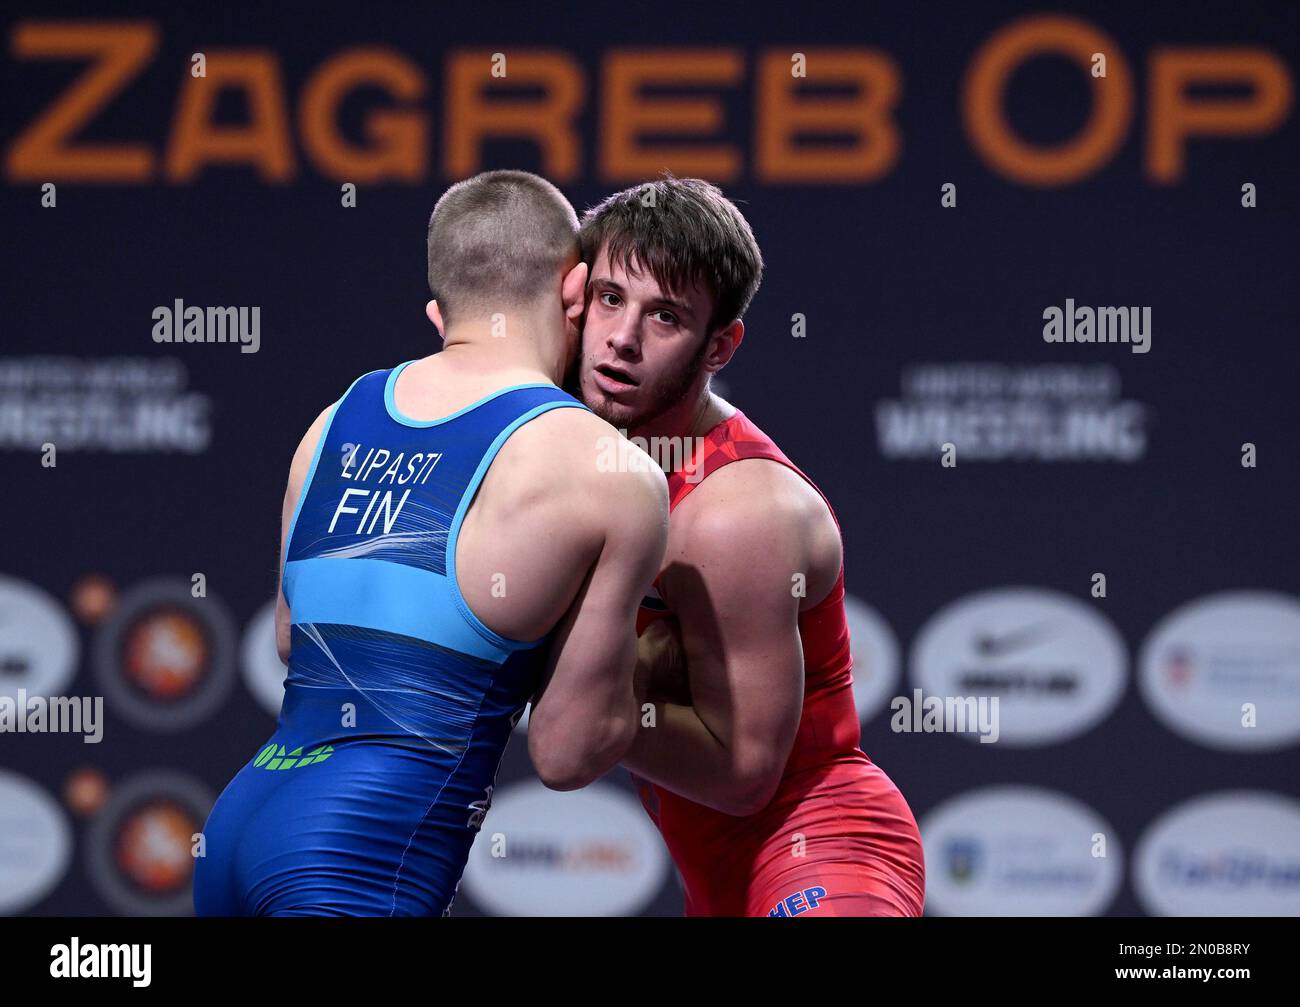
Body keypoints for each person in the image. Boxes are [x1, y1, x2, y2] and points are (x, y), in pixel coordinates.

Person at [193, 170, 668, 916]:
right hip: (351, 855)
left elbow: (293, 639)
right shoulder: (608, 469)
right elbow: (570, 749)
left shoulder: (332, 422)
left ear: (439, 310)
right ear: (574, 290)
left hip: (237, 827)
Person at [575, 175, 925, 917]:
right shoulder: (576, 442)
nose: (623, 338)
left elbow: (743, 774)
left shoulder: (737, 511)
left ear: (719, 345)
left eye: (664, 316)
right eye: (609, 298)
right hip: (718, 883)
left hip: (826, 848)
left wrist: (581, 708)